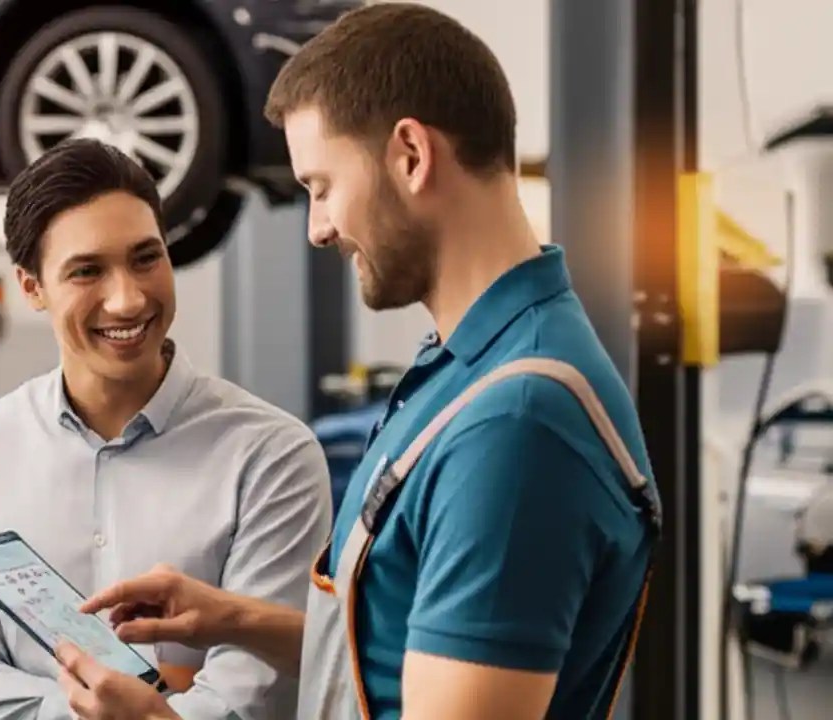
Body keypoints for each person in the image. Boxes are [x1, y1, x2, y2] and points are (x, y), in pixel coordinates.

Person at [53, 4, 662, 720]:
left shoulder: (516, 425)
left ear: (410, 154)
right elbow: (401, 658)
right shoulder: (465, 370)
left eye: (321, 186)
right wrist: (232, 620)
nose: (317, 228)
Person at [0, 138, 334, 720]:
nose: (128, 299)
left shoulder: (271, 455)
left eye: (145, 258)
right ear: (32, 287)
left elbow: (256, 689)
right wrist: (126, 708)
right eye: (87, 271)